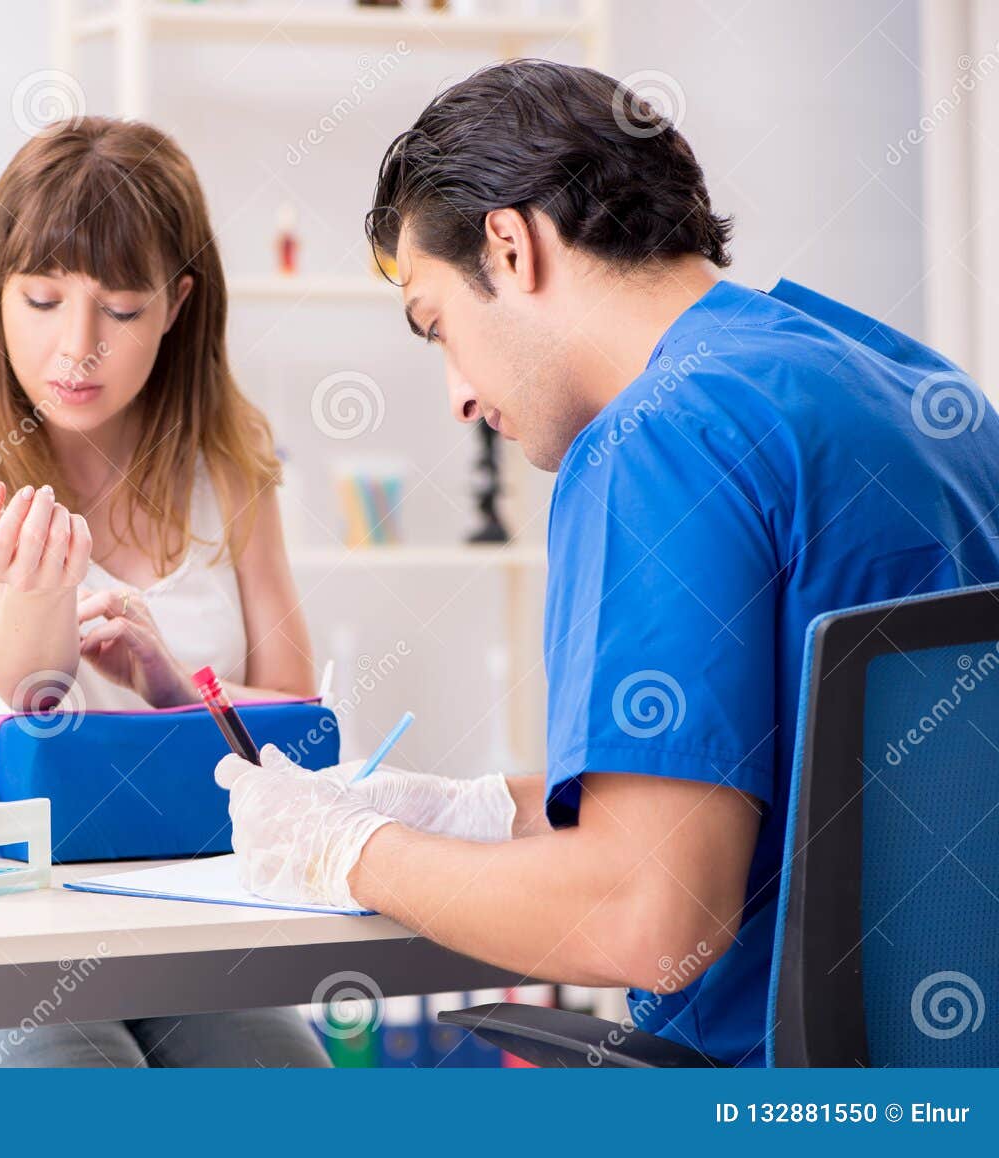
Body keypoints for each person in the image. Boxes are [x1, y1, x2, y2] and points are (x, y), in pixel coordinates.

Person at [215, 59, 999, 1067]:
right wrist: (483, 811)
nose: (458, 393)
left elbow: (653, 918)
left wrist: (349, 852)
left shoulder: (658, 443)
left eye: (437, 323)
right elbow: (824, 771)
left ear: (510, 244)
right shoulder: (917, 389)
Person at [0, 116, 328, 1067]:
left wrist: (170, 685)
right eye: (41, 299)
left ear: (176, 305)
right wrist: (44, 594)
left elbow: (302, 736)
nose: (78, 347)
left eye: (118, 311)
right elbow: (27, 682)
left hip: (194, 920)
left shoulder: (229, 459)